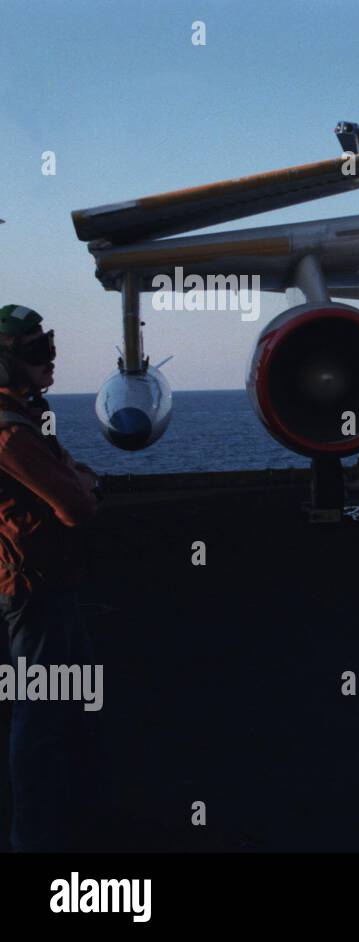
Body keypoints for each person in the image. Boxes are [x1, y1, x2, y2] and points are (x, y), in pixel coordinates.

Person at [0, 303, 101, 851]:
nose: (50, 359)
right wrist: (85, 489)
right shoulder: (11, 435)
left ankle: (75, 813)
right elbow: (76, 505)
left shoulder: (23, 423)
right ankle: (33, 839)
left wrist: (78, 483)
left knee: (73, 698)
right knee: (37, 718)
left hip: (46, 581)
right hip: (33, 589)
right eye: (36, 352)